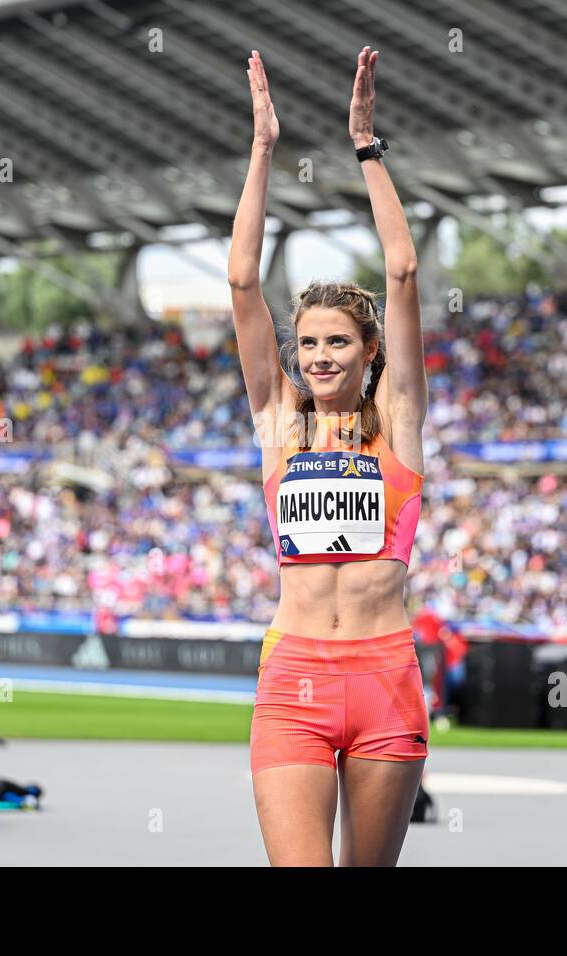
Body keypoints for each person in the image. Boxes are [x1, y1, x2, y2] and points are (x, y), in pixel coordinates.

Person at [231, 47, 430, 866]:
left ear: (370, 347)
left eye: (337, 342)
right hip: (295, 678)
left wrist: (365, 145)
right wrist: (264, 147)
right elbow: (245, 281)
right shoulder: (279, 421)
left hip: (385, 676)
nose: (317, 356)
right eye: (307, 342)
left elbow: (405, 266)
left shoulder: (399, 422)